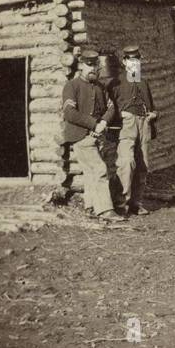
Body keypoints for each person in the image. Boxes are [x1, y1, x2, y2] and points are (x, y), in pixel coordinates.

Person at [62, 50, 122, 222]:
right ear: (81, 65)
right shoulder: (72, 86)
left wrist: (103, 122)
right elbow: (70, 113)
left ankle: (90, 206)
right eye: (89, 65)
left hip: (97, 135)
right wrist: (94, 124)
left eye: (95, 65)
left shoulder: (100, 87)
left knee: (90, 172)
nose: (92, 69)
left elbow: (111, 107)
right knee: (99, 170)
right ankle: (105, 210)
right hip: (81, 136)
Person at [109, 45, 157, 215]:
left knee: (143, 165)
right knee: (126, 162)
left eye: (137, 60)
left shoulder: (144, 82)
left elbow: (151, 106)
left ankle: (136, 203)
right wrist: (119, 117)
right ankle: (121, 203)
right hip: (127, 125)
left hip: (143, 123)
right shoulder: (117, 82)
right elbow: (110, 107)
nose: (134, 63)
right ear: (124, 62)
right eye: (130, 60)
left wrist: (153, 115)